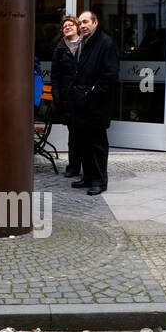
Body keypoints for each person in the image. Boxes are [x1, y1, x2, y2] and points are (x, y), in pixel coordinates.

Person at [71, 10, 118, 195]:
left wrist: (93, 93)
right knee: (84, 143)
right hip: (82, 103)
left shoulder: (106, 43)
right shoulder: (85, 42)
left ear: (95, 22)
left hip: (96, 104)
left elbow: (110, 75)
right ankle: (88, 177)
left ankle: (99, 181)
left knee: (97, 144)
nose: (82, 25)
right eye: (80, 23)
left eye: (85, 22)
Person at [50, 15, 82, 178]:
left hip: (85, 97)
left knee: (86, 134)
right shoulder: (60, 49)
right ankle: (74, 166)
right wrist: (57, 97)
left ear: (77, 27)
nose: (67, 27)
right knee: (74, 134)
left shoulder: (87, 45)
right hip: (68, 98)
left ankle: (88, 167)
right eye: (64, 26)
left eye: (71, 25)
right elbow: (55, 76)